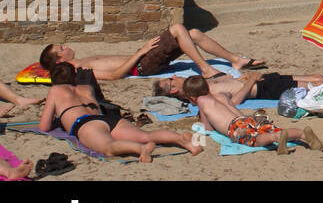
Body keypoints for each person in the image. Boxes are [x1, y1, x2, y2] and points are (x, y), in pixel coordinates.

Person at [41, 63, 202, 162]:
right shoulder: (86, 88)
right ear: (75, 77)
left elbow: (44, 126)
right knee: (147, 136)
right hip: (108, 118)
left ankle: (141, 150)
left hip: (85, 124)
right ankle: (182, 140)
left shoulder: (55, 90)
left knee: (108, 147)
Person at [40, 25, 267, 81]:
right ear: (60, 59)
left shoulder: (82, 61)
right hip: (142, 66)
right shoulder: (79, 69)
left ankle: (236, 61)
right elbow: (114, 75)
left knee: (194, 33)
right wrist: (141, 52)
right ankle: (206, 69)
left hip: (143, 59)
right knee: (178, 29)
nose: (65, 46)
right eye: (61, 48)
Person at [182, 77, 323, 153]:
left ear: (193, 98)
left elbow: (208, 129)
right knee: (270, 128)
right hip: (248, 119)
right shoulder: (220, 95)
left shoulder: (201, 101)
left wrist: (202, 124)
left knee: (256, 140)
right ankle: (302, 134)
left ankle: (276, 137)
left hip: (236, 127)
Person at [155, 69, 323, 105]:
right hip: (262, 89)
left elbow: (227, 83)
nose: (176, 76)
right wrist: (251, 81)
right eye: (171, 79)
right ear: (173, 90)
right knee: (312, 85)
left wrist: (243, 77)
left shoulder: (196, 84)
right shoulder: (200, 94)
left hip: (258, 81)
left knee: (315, 77)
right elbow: (236, 100)